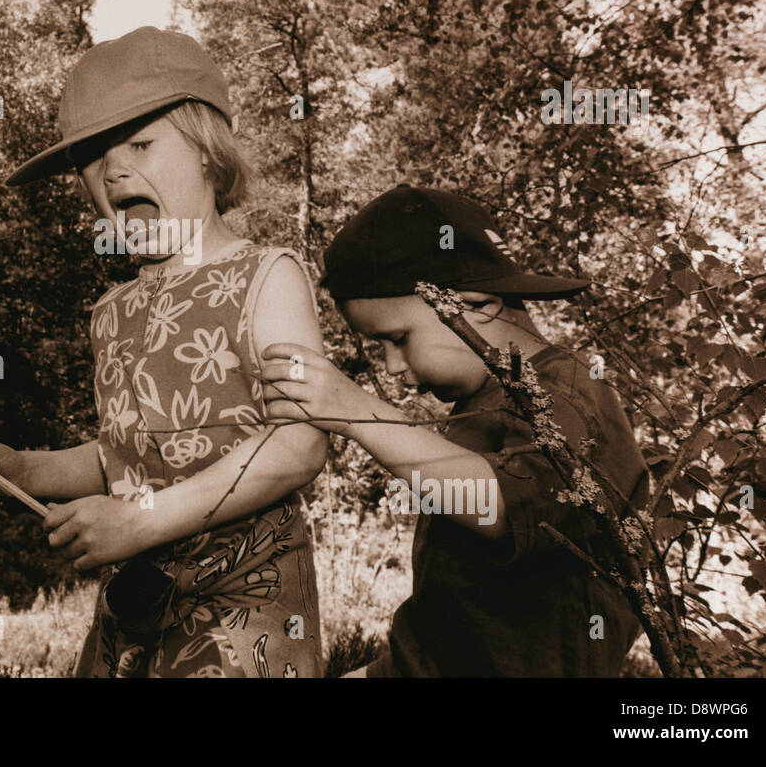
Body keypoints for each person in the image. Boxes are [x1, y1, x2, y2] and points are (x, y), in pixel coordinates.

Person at [0, 26, 328, 677]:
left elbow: (300, 444)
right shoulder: (111, 311)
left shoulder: (268, 276)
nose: (114, 170)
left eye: (141, 144)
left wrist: (143, 521)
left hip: (246, 603)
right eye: (93, 159)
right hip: (136, 607)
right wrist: (23, 473)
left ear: (209, 155)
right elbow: (125, 456)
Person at [261, 184, 650, 676]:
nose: (392, 367)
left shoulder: (567, 395)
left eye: (397, 339)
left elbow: (500, 507)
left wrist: (359, 413)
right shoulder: (482, 401)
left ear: (478, 305)